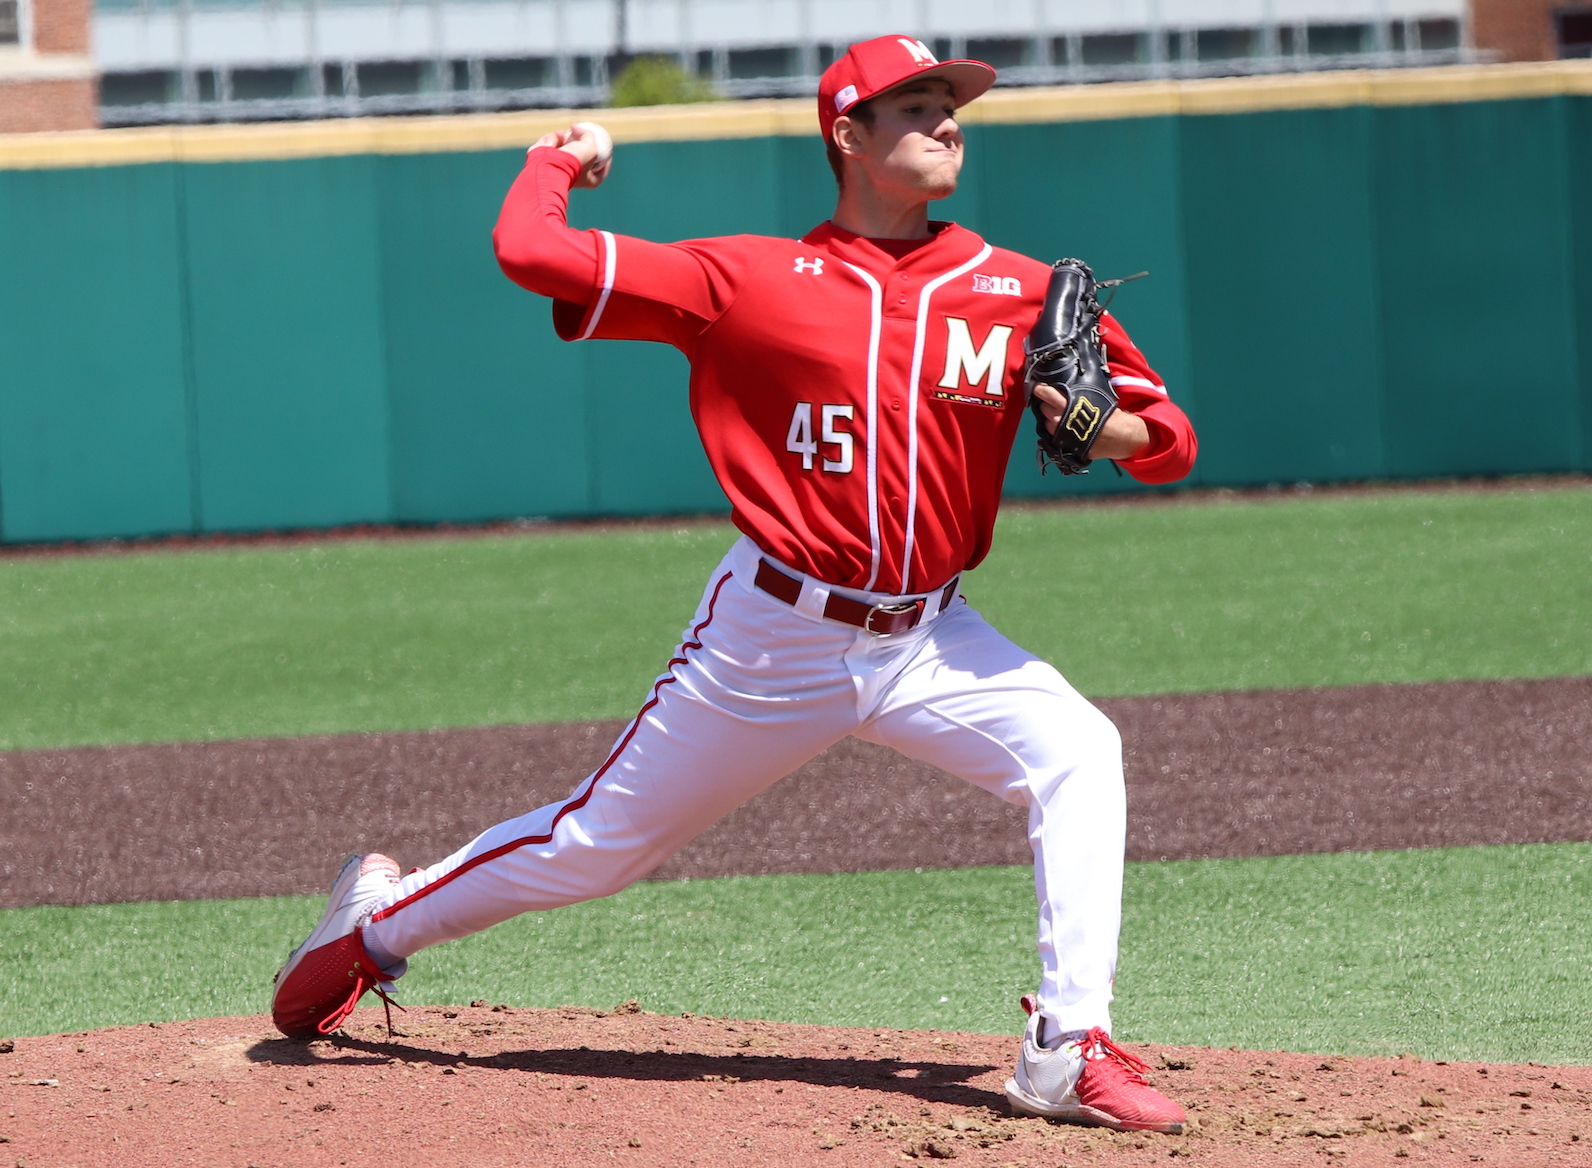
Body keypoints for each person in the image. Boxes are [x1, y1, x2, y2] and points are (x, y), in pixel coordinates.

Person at [270, 33, 1198, 1135]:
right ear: (846, 135)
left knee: (1079, 751)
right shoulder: (746, 279)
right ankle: (372, 926)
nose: (948, 121)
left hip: (933, 641)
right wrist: (561, 156)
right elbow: (529, 250)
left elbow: (1172, 443)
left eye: (952, 103)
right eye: (916, 106)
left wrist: (1111, 432)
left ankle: (1064, 1048)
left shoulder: (1018, 293)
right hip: (774, 637)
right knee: (593, 848)